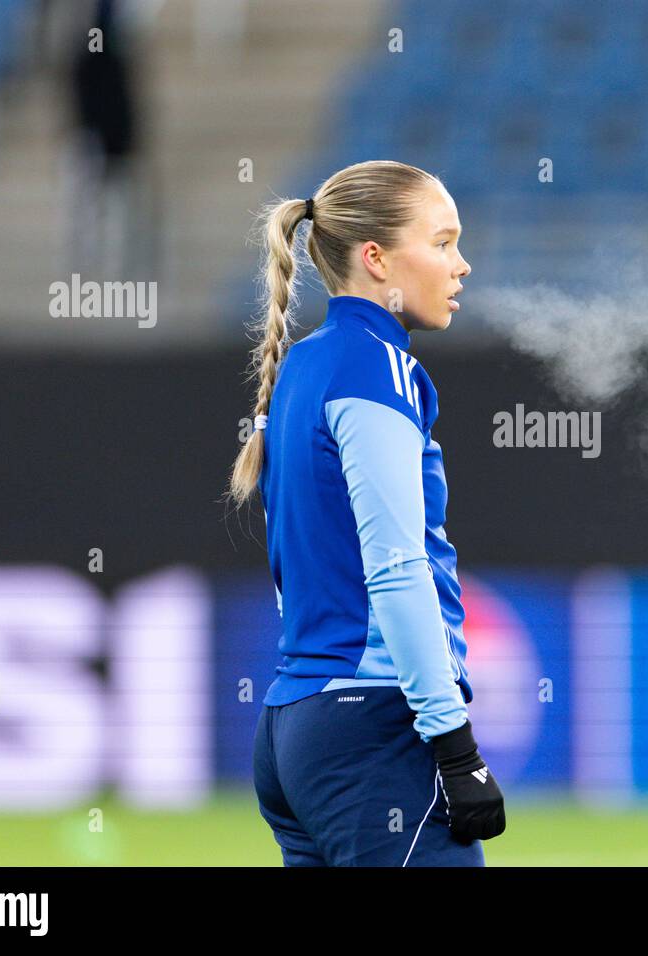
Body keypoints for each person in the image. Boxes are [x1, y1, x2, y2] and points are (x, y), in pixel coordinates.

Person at [228, 160, 505, 866]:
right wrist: (455, 744)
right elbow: (397, 565)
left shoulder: (304, 365)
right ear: (376, 259)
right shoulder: (376, 367)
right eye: (442, 243)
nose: (461, 264)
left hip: (296, 727)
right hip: (374, 730)